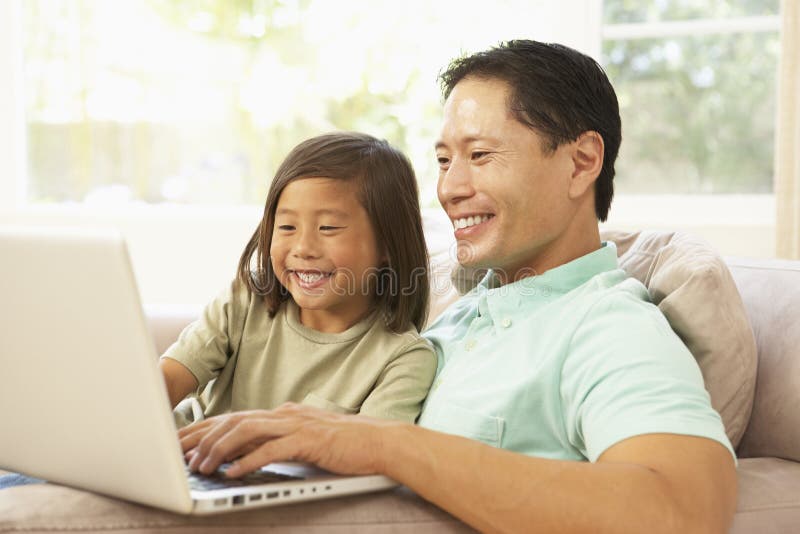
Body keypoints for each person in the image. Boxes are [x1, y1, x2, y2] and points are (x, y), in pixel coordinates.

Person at [177, 41, 738, 533]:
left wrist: (381, 444)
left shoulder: (609, 327)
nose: (449, 188)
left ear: (581, 161)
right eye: (444, 161)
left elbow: (685, 510)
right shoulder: (458, 309)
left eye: (479, 155)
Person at [158, 131, 436, 427]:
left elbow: (371, 454)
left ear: (387, 244)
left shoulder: (403, 358)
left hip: (274, 474)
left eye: (328, 228)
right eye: (287, 227)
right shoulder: (245, 300)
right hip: (181, 452)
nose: (303, 248)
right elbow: (166, 383)